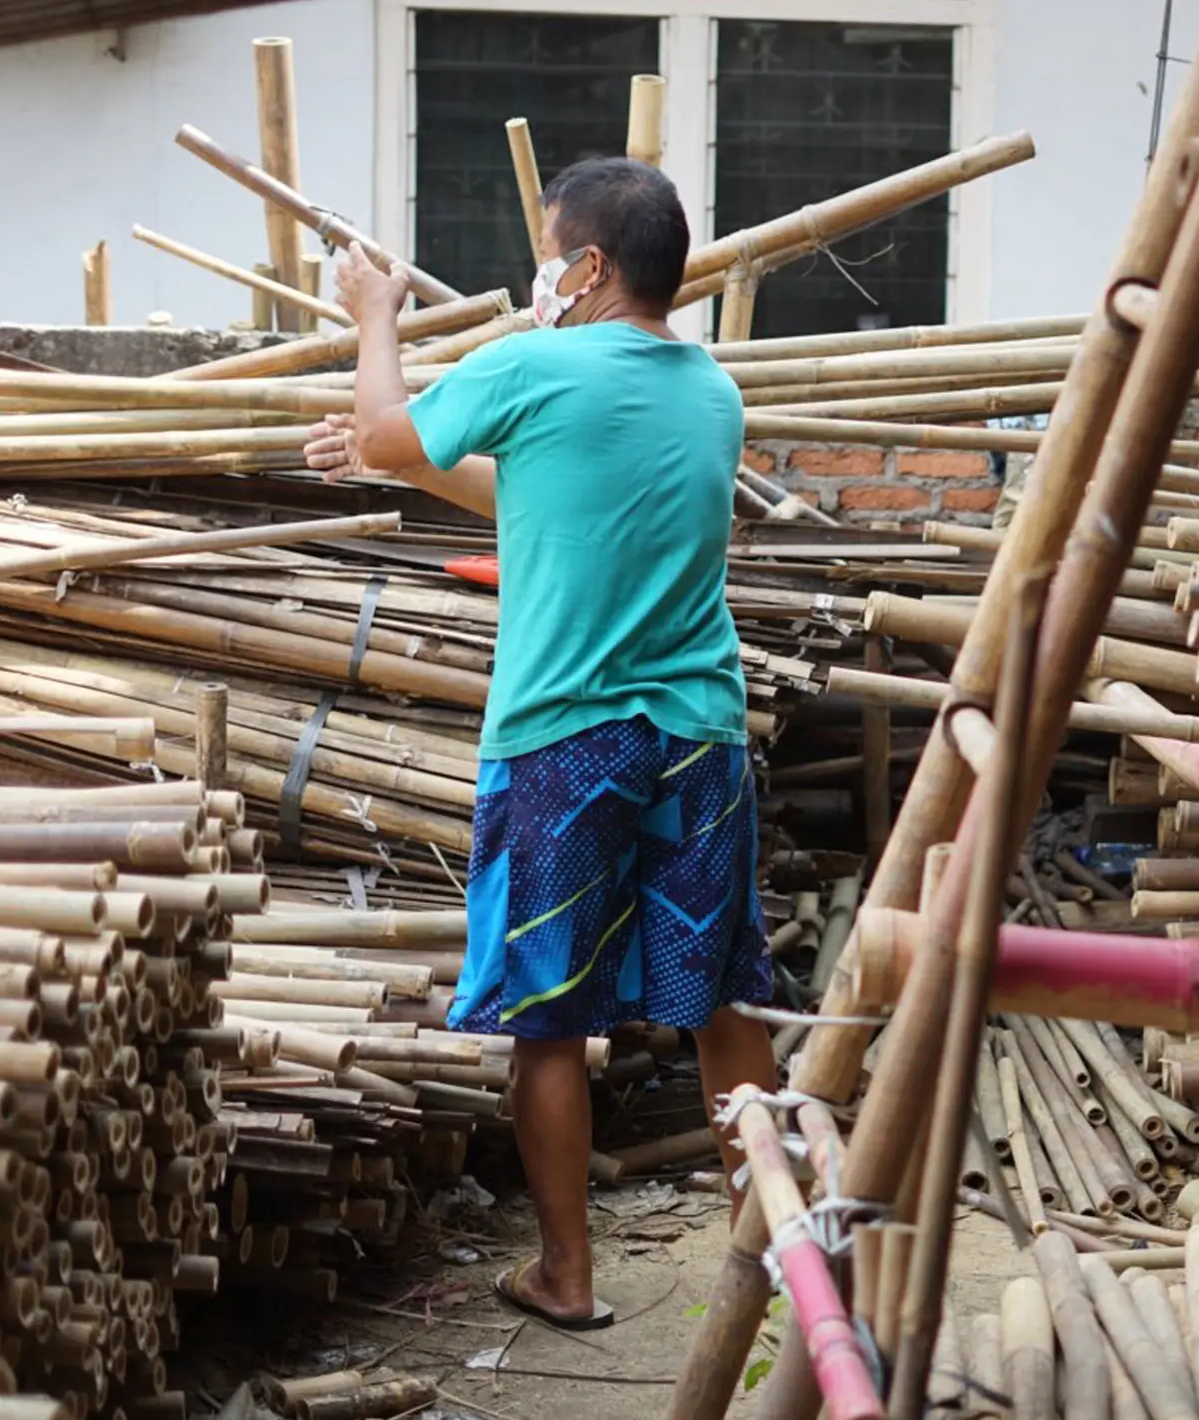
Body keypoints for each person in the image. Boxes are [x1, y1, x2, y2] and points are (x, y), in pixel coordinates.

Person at [309, 157, 780, 1332]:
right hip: (698, 734)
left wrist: (376, 319)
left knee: (551, 1014)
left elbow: (386, 432)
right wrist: (387, 449)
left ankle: (567, 1275)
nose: (540, 276)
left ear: (589, 266)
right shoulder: (711, 394)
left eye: (550, 253)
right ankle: (766, 1261)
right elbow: (543, 493)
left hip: (563, 737)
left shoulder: (530, 364)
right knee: (724, 1001)